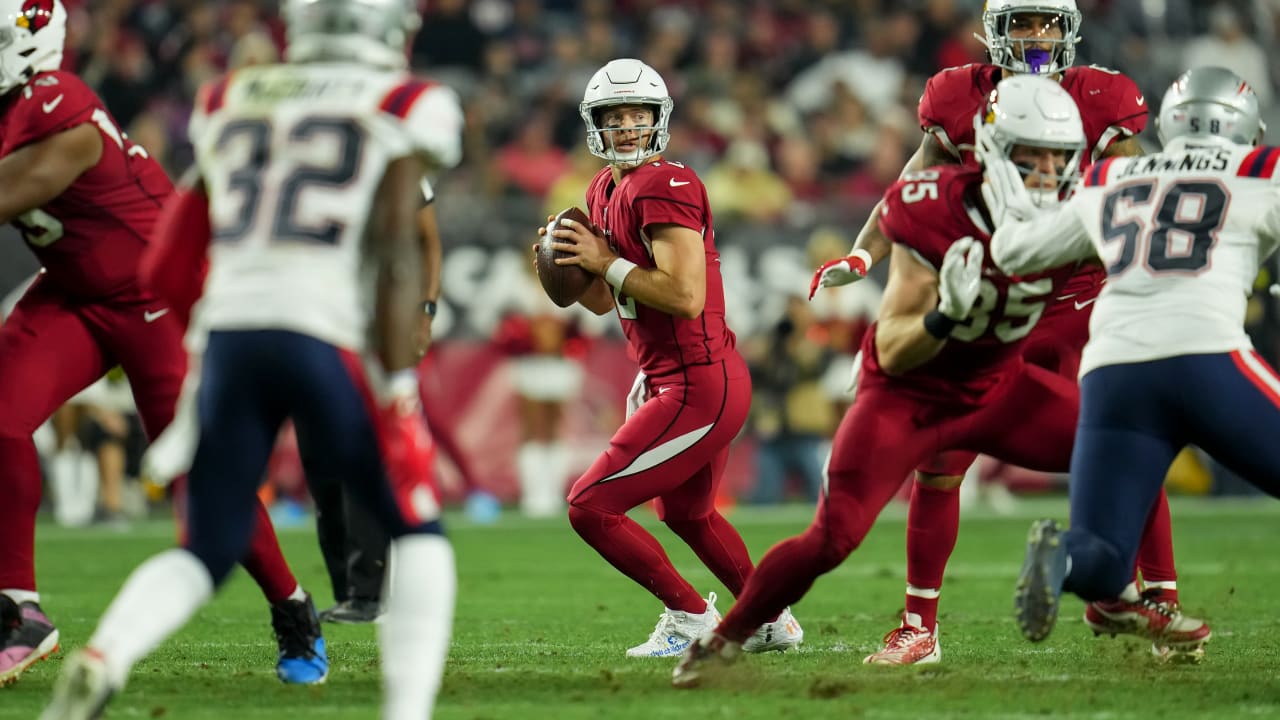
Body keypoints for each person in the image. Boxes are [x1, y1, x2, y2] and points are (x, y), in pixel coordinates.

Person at [671, 74, 1205, 688]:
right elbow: (896, 349)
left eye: (1061, 157)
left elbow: (1169, 241)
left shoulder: (1083, 209)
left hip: (999, 385)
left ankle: (1107, 590)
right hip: (912, 396)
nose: (1048, 172)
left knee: (1127, 442)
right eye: (1032, 156)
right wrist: (945, 316)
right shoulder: (932, 206)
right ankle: (725, 637)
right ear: (992, 149)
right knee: (832, 538)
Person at [41, 0, 461, 717]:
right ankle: (408, 709)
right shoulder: (407, 102)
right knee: (417, 529)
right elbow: (395, 248)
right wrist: (395, 384)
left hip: (231, 336)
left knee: (206, 546)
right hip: (323, 329)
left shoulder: (231, 95)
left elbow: (167, 268)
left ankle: (107, 652)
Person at [808, 0, 1191, 665]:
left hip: (1078, 304)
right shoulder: (957, 95)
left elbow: (1145, 194)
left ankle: (1159, 600)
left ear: (1067, 30)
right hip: (996, 300)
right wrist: (864, 252)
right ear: (994, 31)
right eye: (1021, 23)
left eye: (1047, 23)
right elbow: (913, 183)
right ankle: (918, 627)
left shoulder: (1102, 98)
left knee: (1126, 445)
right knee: (941, 462)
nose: (1036, 37)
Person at [0, 0, 325, 688]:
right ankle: (19, 612)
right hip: (72, 291)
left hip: (152, 299)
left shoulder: (62, 105)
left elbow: (11, 189)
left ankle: (291, 605)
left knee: (199, 475)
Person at [992, 66, 1271, 658]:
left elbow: (1017, 251)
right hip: (1206, 356)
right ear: (1246, 125)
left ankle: (1063, 557)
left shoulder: (1110, 174)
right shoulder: (1260, 171)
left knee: (1102, 557)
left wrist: (1006, 180)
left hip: (1114, 370)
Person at [540, 57, 802, 658]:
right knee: (688, 514)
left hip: (700, 385)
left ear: (658, 121)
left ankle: (688, 614)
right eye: (615, 116)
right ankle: (769, 618)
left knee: (590, 506)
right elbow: (612, 305)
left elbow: (685, 296)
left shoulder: (665, 182)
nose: (628, 127)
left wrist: (604, 262)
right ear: (595, 125)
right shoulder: (603, 189)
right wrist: (570, 270)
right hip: (677, 379)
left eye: (638, 115)